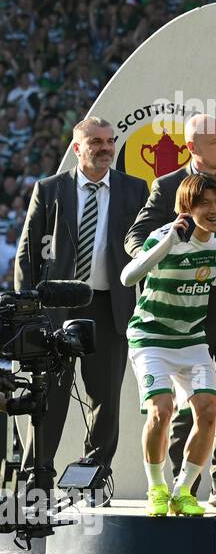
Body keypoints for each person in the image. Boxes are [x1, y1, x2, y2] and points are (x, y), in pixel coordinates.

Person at [125, 112, 216, 510]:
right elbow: (137, 236)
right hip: (185, 302)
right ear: (192, 148)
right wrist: (152, 257)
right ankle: (177, 484)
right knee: (178, 398)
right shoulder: (169, 185)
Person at [15, 117, 148, 490]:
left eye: (110, 141)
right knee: (48, 395)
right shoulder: (50, 189)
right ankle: (36, 476)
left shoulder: (135, 190)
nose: (106, 148)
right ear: (77, 148)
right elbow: (26, 256)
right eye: (96, 142)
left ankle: (94, 473)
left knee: (105, 397)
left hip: (110, 308)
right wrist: (30, 313)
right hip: (57, 310)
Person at [120, 174, 216, 516]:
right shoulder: (162, 237)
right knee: (161, 411)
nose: (215, 209)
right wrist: (168, 242)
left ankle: (182, 491)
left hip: (191, 340)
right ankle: (156, 488)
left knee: (209, 410)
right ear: (186, 208)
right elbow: (129, 277)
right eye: (204, 203)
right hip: (151, 337)